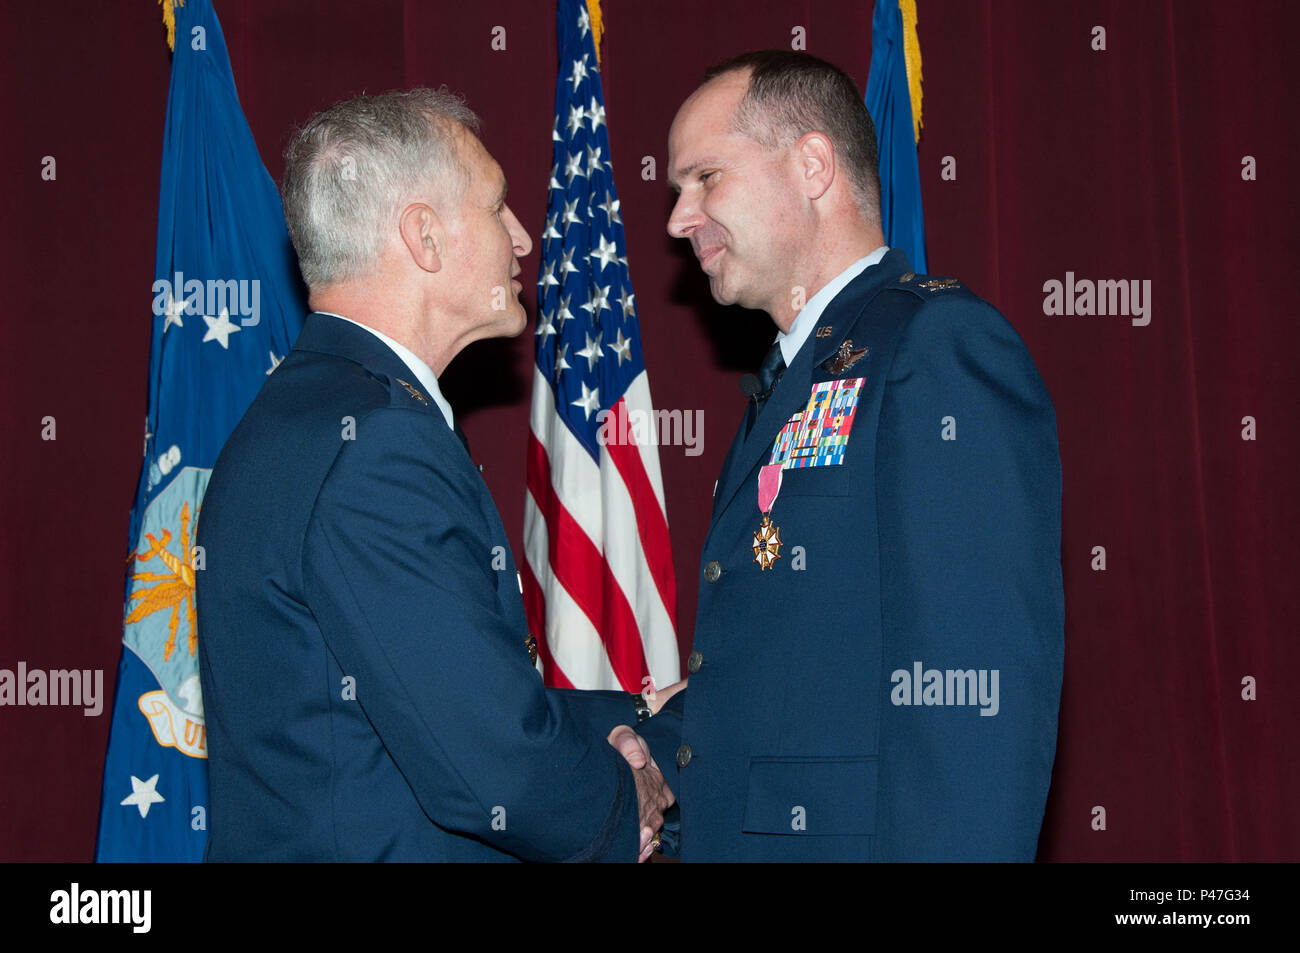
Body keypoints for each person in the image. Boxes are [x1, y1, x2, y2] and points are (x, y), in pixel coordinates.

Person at [195, 88, 671, 862]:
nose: (523, 236)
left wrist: (643, 716)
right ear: (424, 236)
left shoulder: (299, 413)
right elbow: (491, 769)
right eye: (497, 206)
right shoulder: (376, 444)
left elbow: (421, 700)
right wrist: (630, 803)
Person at [637, 50, 1065, 860]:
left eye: (705, 179)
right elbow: (792, 668)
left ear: (811, 164)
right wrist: (646, 751)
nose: (678, 218)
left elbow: (976, 704)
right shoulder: (797, 374)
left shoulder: (933, 345)